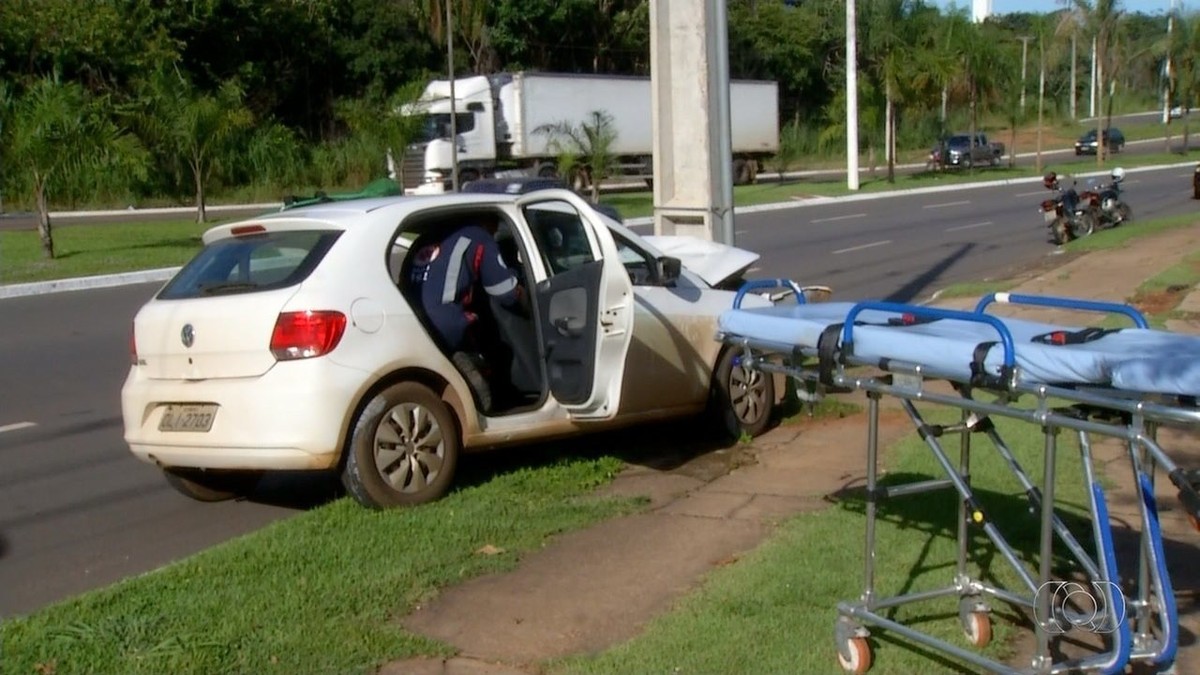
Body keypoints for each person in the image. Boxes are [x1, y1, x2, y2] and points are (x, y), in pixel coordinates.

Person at [407, 213, 527, 411]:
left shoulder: (426, 240)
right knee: (492, 346)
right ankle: (489, 404)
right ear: (488, 220)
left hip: (413, 321)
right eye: (496, 224)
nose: (496, 230)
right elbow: (505, 292)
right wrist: (518, 281)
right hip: (448, 326)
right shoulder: (478, 237)